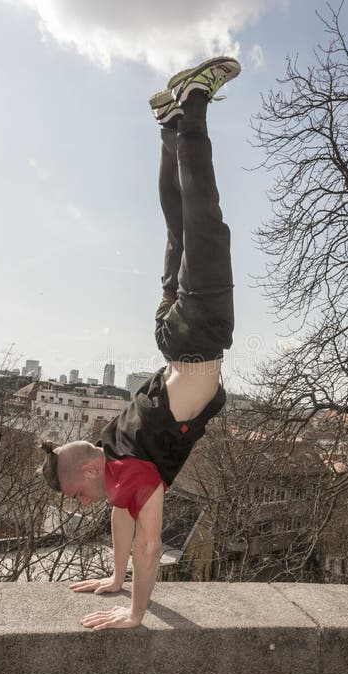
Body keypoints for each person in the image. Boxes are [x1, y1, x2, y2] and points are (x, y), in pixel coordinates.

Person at [39, 56, 240, 629]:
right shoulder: (118, 455)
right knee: (180, 228)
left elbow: (150, 542)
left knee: (204, 218)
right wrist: (115, 577)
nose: (81, 504)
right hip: (171, 334)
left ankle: (194, 99)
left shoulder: (134, 476)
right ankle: (168, 122)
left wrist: (135, 613)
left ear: (87, 475)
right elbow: (123, 524)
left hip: (198, 334)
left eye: (76, 496)